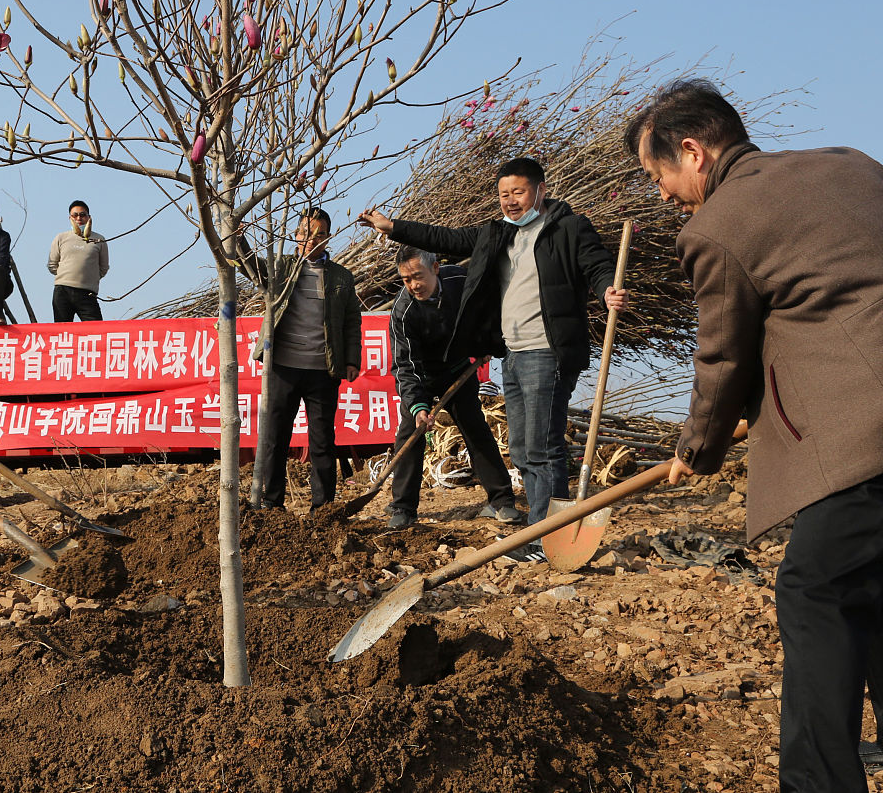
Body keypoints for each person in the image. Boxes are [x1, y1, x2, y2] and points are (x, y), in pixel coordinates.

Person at [625, 78, 883, 793]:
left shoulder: (718, 227)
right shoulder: (851, 163)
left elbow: (724, 355)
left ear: (693, 150)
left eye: (660, 177)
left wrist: (695, 447)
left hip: (865, 437)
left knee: (815, 589)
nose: (665, 196)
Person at [359, 158, 628, 558]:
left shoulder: (569, 228)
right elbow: (444, 238)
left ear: (540, 190)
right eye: (504, 195)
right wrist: (393, 226)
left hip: (547, 350)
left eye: (518, 192)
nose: (511, 202)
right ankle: (543, 531)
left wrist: (608, 288)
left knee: (542, 447)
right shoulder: (497, 235)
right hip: (514, 354)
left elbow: (599, 264)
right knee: (522, 450)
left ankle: (545, 537)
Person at [386, 247, 516, 528]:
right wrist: (419, 407)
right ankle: (403, 508)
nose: (413, 285)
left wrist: (490, 342)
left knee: (475, 429)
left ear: (435, 269)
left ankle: (502, 501)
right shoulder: (403, 311)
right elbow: (405, 367)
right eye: (406, 280)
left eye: (418, 276)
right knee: (410, 434)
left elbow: (487, 309)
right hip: (421, 375)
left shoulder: (460, 279)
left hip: (458, 369)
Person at [245, 208, 362, 512]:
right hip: (283, 367)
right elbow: (252, 270)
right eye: (306, 233)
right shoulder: (282, 267)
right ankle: (272, 504)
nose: (312, 240)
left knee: (322, 441)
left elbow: (352, 320)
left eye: (320, 234)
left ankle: (323, 508)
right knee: (275, 438)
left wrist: (352, 359)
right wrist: (241, 239)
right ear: (296, 235)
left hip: (324, 370)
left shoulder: (340, 277)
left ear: (328, 237)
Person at [48, 200, 108, 322]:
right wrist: (67, 276)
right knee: (62, 334)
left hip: (88, 293)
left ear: (89, 217)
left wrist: (89, 277)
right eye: (75, 215)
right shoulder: (61, 237)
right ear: (70, 217)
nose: (79, 218)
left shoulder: (99, 239)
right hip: (63, 291)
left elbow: (103, 267)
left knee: (96, 332)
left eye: (82, 214)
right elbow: (52, 264)